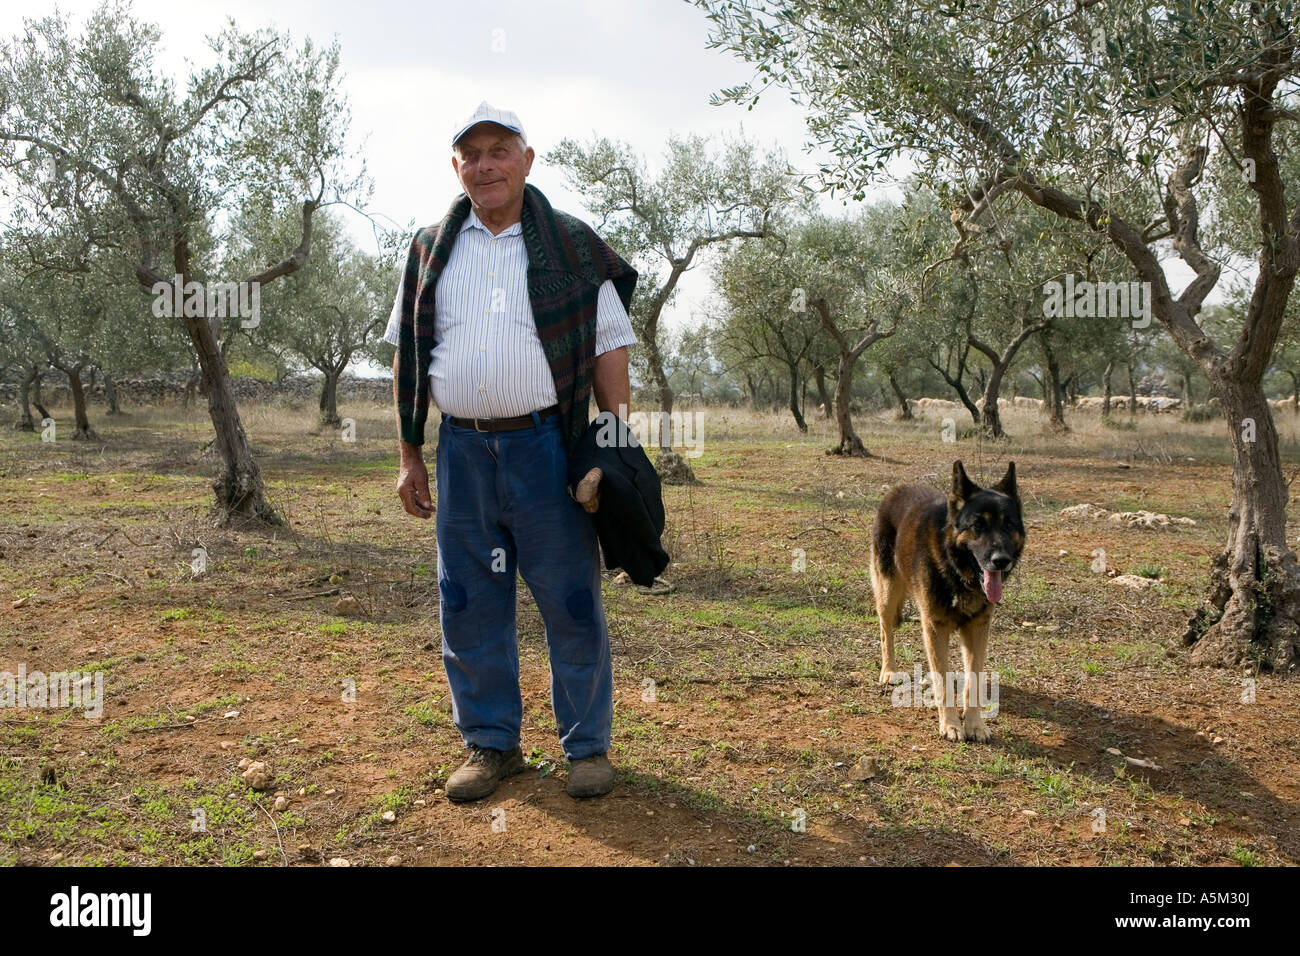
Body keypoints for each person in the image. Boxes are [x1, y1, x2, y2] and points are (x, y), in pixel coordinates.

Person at [384, 102, 638, 801]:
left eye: (501, 150)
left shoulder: (572, 244)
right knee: (466, 600)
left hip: (546, 447)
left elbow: (608, 346)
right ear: (456, 167)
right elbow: (409, 354)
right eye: (473, 153)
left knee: (571, 598)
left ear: (528, 160)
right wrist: (409, 454)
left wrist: (612, 445)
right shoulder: (429, 247)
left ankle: (587, 747)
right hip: (461, 452)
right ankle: (490, 746)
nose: (487, 164)